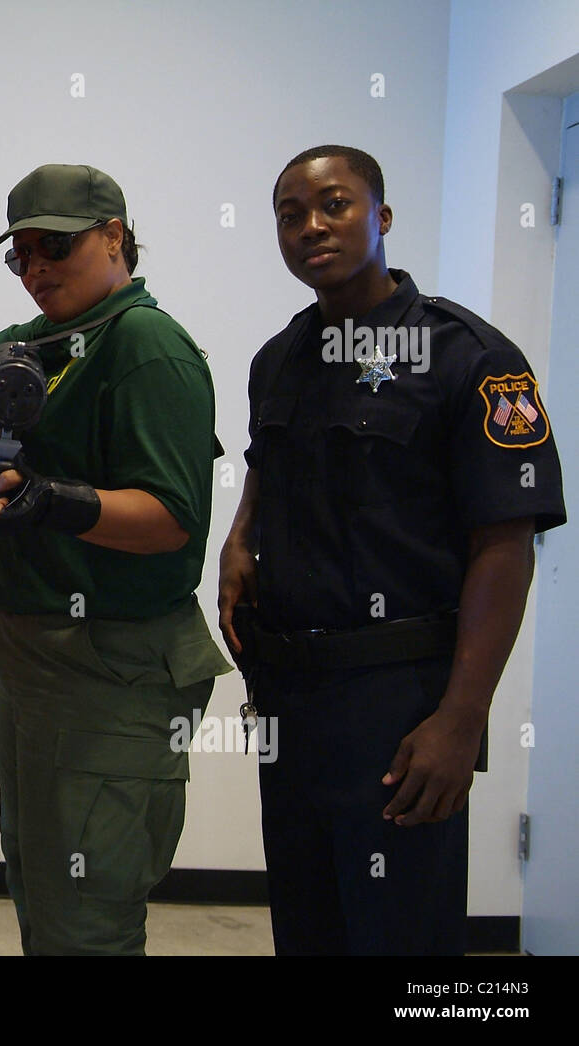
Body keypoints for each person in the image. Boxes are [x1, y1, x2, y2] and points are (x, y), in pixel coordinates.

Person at [217, 145, 566, 955]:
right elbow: (264, 467)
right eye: (290, 214)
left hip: (403, 707)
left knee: (399, 937)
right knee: (309, 929)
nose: (312, 226)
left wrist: (462, 717)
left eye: (334, 205)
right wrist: (238, 539)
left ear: (382, 217)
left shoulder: (470, 358)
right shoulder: (280, 359)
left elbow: (506, 546)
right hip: (292, 701)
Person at [0, 164, 231, 955]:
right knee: (43, 891)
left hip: (111, 671)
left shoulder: (146, 347)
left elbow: (171, 520)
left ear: (114, 237)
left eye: (53, 246)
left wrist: (54, 503)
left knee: (87, 922)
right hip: (34, 665)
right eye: (18, 255)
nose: (34, 270)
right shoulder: (56, 338)